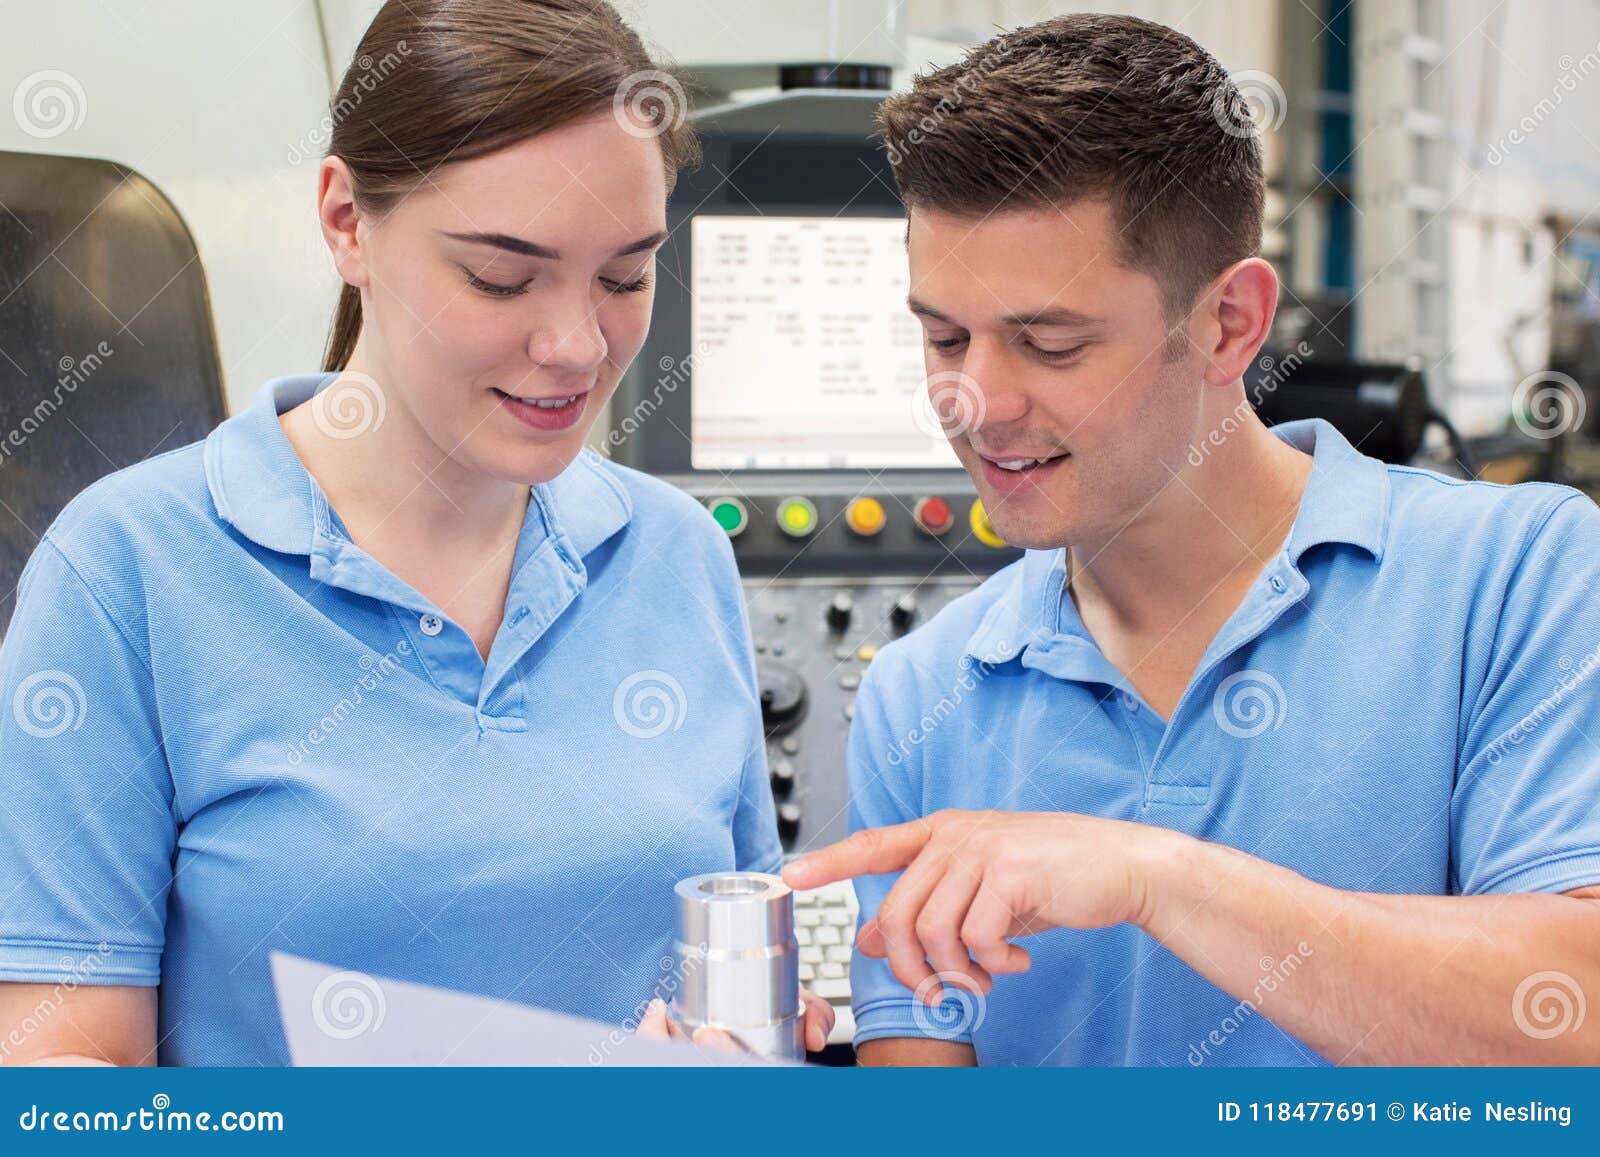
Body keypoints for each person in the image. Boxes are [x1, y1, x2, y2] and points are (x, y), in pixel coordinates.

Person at [0, 0, 829, 1066]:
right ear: (347, 220)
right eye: (499, 275)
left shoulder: (675, 554)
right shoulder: (131, 569)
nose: (577, 343)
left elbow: (745, 992)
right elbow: (60, 1088)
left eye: (625, 275)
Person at [783, 13, 1600, 1066]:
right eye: (943, 336)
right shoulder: (924, 695)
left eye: (1049, 342)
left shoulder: (1515, 577)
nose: (972, 400)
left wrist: (1159, 877)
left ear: (1228, 324)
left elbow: (1571, 1010)